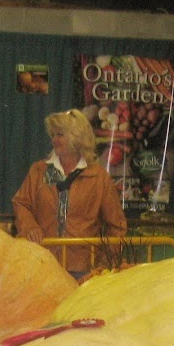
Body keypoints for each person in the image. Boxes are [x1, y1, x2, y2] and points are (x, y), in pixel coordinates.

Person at [12, 107, 128, 278]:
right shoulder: (39, 170)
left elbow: (117, 227)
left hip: (84, 269)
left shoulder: (99, 177)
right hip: (41, 264)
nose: (54, 140)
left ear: (78, 138)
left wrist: (104, 265)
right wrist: (29, 226)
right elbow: (21, 203)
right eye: (53, 135)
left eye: (60, 135)